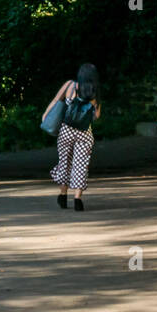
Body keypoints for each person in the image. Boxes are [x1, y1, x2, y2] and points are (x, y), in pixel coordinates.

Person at [48, 63, 100, 211]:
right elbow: (96, 116)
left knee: (65, 163)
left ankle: (63, 196)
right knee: (80, 165)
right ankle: (78, 199)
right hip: (85, 134)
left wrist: (46, 116)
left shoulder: (71, 85)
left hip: (67, 131)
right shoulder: (94, 93)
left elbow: (56, 101)